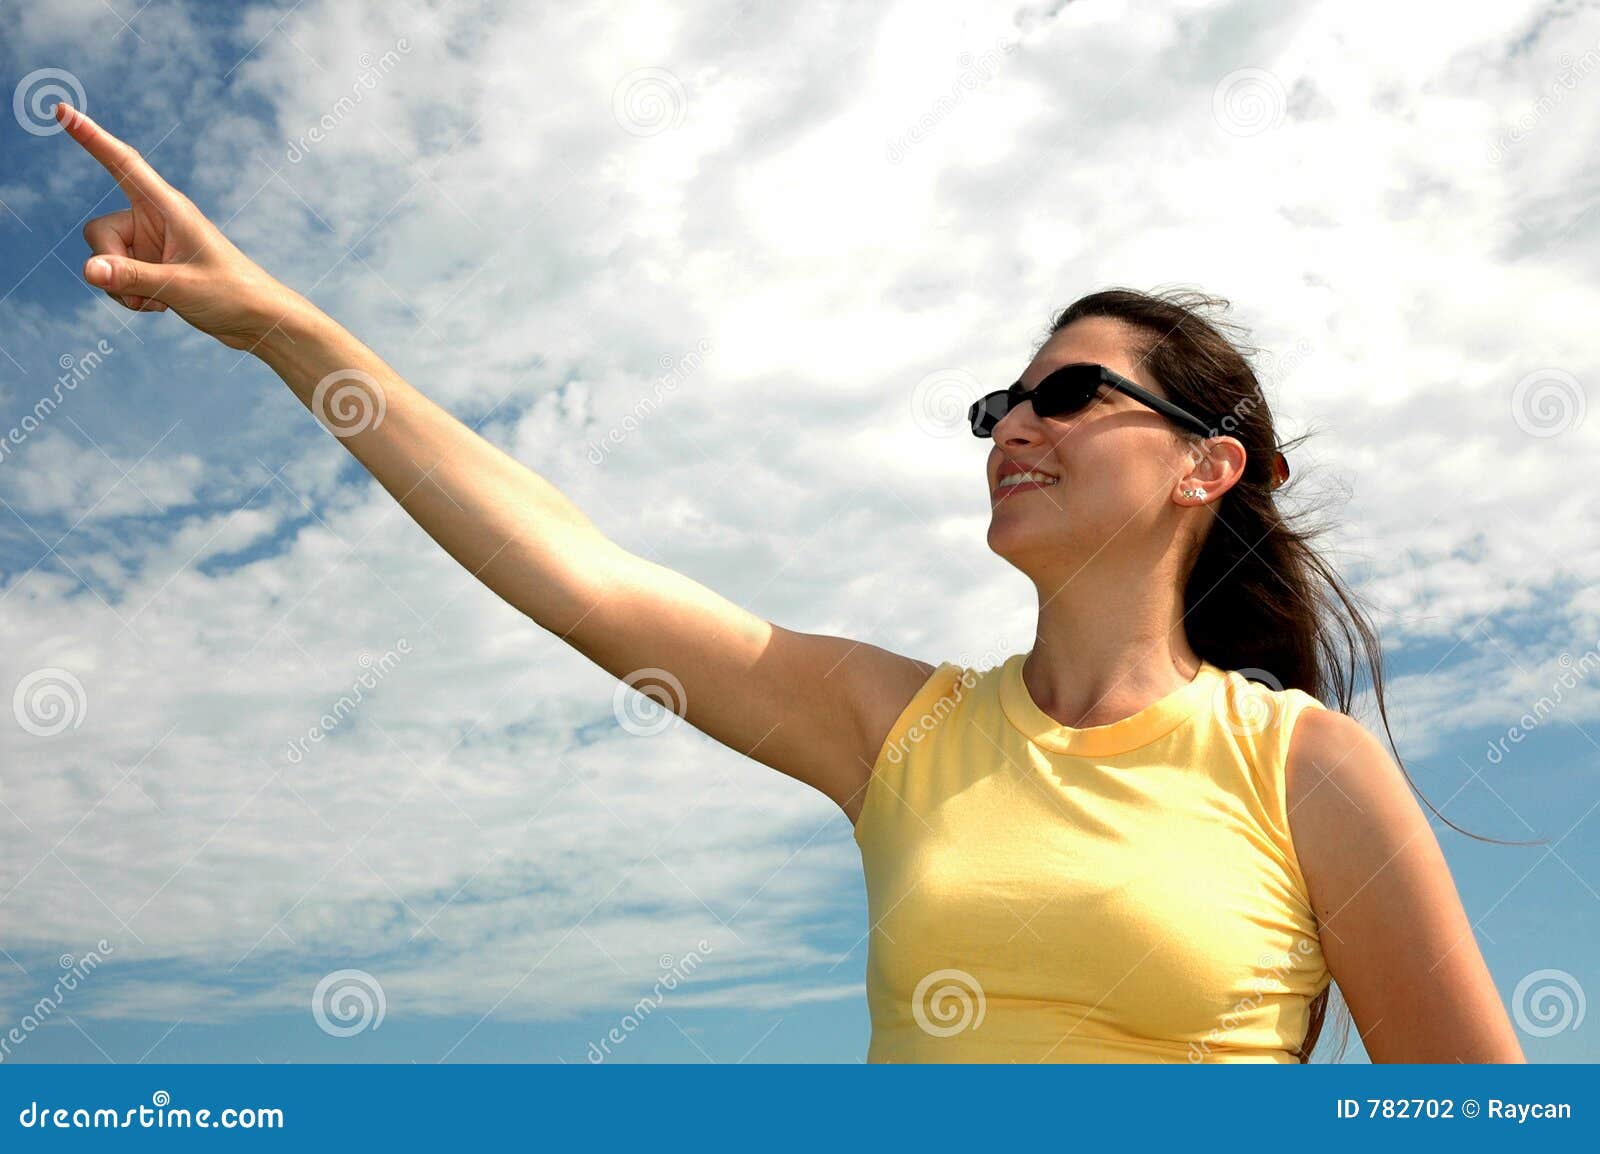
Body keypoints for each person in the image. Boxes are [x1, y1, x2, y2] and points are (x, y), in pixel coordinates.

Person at [50, 102, 1525, 1063]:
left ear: (1209, 467)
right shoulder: (904, 731)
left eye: (1072, 393)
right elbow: (575, 571)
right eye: (999, 403)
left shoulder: (1303, 768)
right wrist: (281, 326)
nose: (1015, 425)